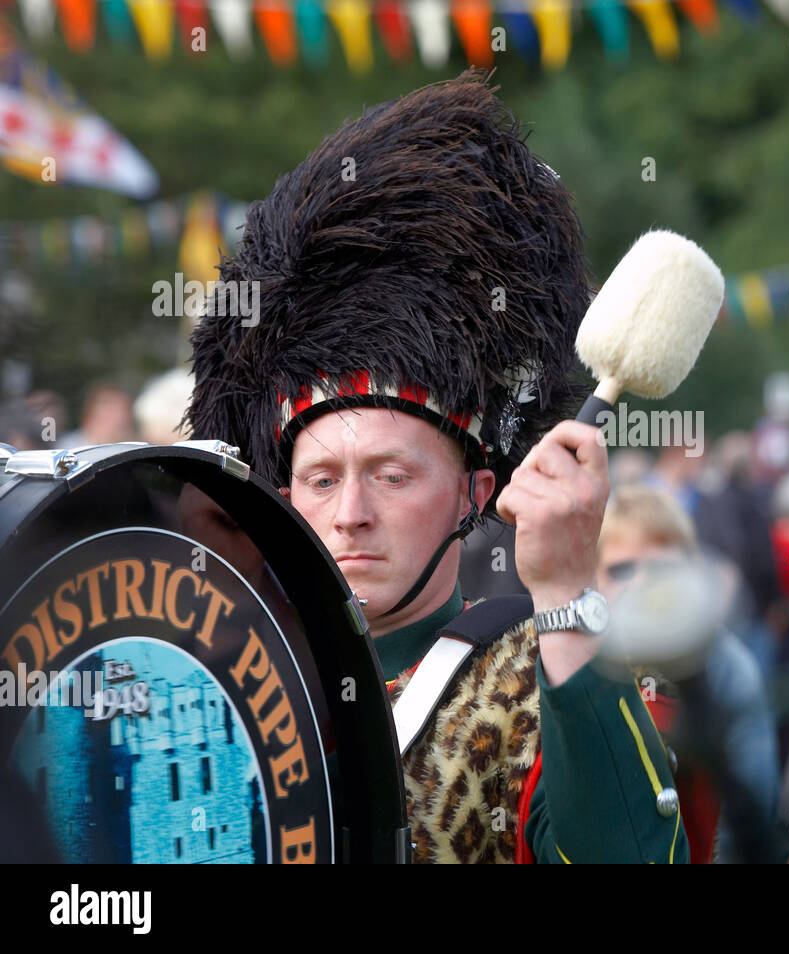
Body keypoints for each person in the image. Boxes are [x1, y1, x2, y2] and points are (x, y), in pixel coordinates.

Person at [186, 73, 687, 864]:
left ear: (473, 492)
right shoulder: (206, 681)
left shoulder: (532, 678)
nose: (350, 511)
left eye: (391, 475)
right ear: (285, 498)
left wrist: (565, 592)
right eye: (321, 480)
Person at [595, 484, 782, 863]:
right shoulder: (575, 665)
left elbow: (750, 805)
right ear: (592, 575)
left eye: (664, 568)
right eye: (622, 568)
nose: (643, 584)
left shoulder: (729, 669)